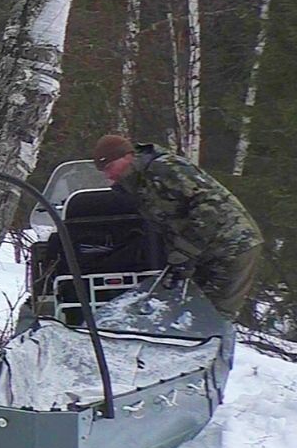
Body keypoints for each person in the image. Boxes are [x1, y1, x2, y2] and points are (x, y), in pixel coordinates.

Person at [91, 134, 263, 317]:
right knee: (191, 313)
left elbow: (208, 207)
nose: (108, 175)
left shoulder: (165, 168)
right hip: (203, 252)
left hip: (231, 245)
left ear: (127, 156)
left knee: (215, 317)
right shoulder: (139, 183)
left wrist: (183, 254)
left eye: (109, 167)